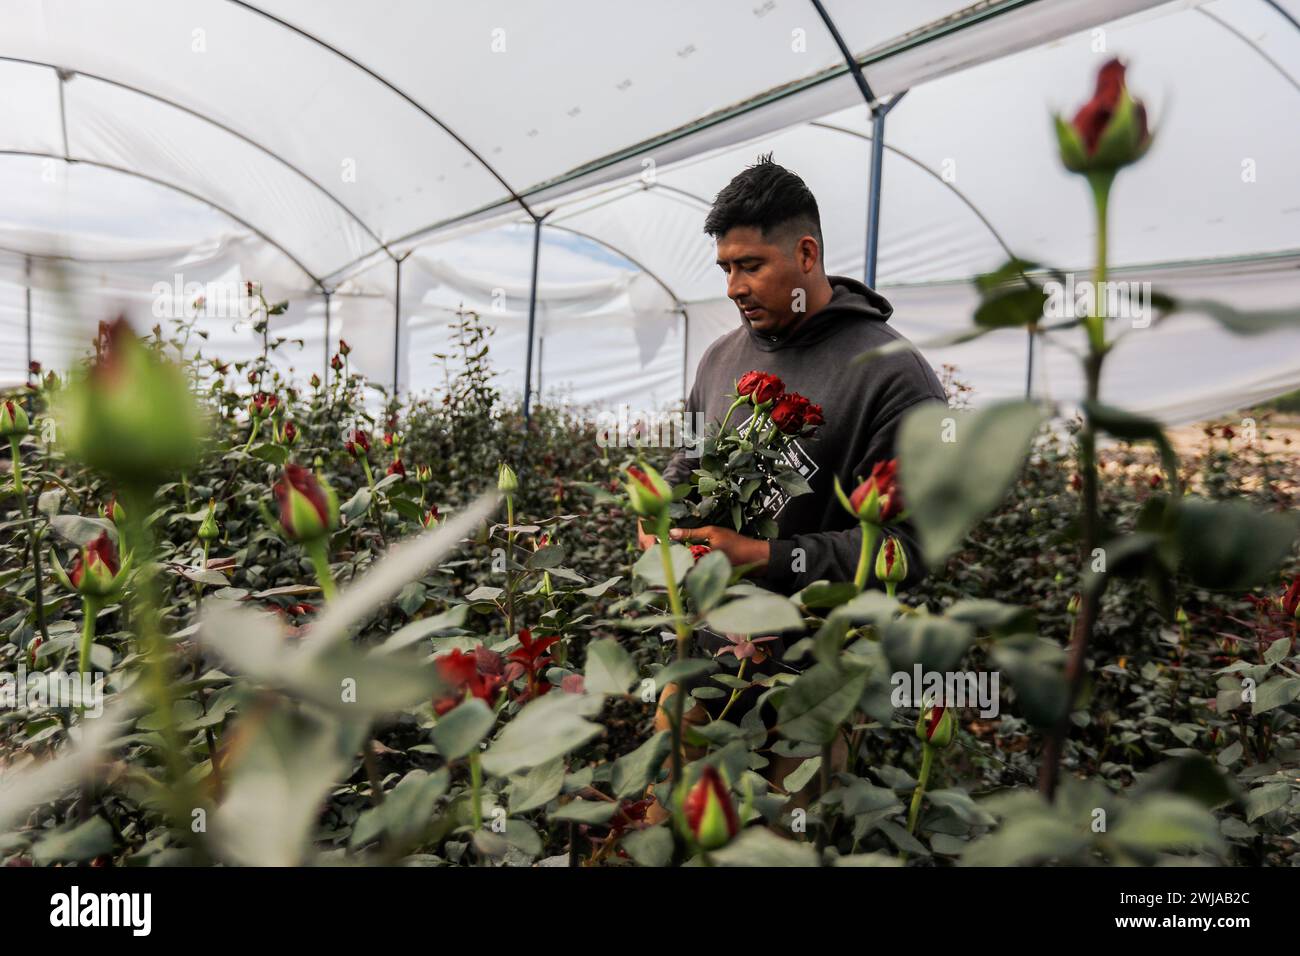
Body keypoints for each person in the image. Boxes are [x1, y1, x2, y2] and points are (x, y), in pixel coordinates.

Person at [637, 155, 948, 818]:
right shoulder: (723, 357)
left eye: (750, 265)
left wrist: (763, 559)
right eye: (724, 268)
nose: (732, 287)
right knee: (668, 820)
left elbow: (915, 548)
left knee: (783, 839)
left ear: (806, 253)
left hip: (814, 680)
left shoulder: (890, 378)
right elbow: (688, 457)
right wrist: (663, 504)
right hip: (705, 656)